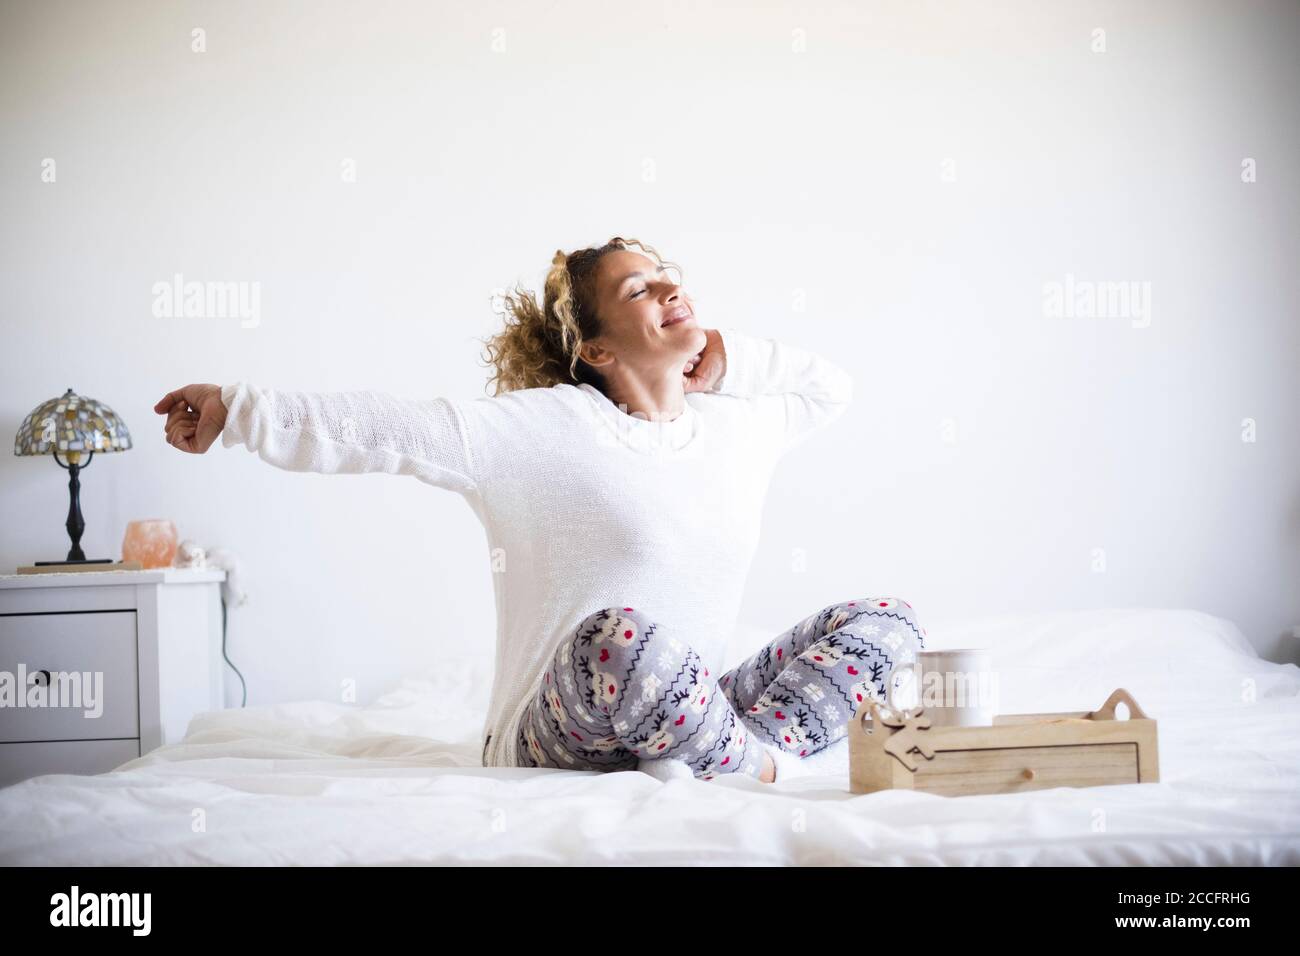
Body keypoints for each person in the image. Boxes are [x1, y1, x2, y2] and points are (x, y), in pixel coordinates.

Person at [154, 236, 926, 783]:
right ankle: (759, 772)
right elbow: (385, 429)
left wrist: (731, 357)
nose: (667, 289)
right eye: (637, 289)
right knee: (619, 638)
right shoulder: (542, 429)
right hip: (559, 724)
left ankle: (732, 753)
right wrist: (238, 409)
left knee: (889, 619)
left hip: (687, 706)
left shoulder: (739, 427)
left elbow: (832, 388)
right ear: (595, 349)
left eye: (667, 276)